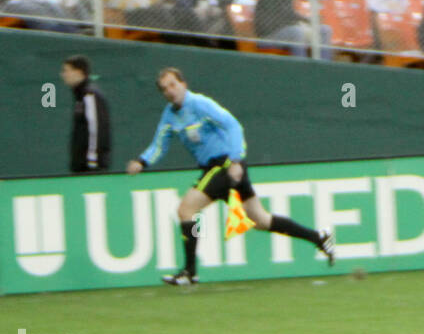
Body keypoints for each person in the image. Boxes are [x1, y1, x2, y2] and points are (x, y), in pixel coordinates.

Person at [126, 68, 335, 286]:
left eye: (173, 85)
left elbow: (233, 124)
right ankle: (319, 237)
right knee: (260, 220)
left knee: (186, 210)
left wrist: (236, 160)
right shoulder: (170, 115)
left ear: (183, 84)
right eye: (164, 89)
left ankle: (190, 271)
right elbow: (160, 142)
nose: (170, 91)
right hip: (220, 168)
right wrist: (142, 161)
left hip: (225, 164)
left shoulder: (199, 104)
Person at [61, 55, 111, 173]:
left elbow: (95, 129)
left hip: (91, 168)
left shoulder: (89, 95)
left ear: (78, 72)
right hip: (81, 167)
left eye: (66, 70)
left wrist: (92, 161)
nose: (63, 75)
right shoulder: (80, 97)